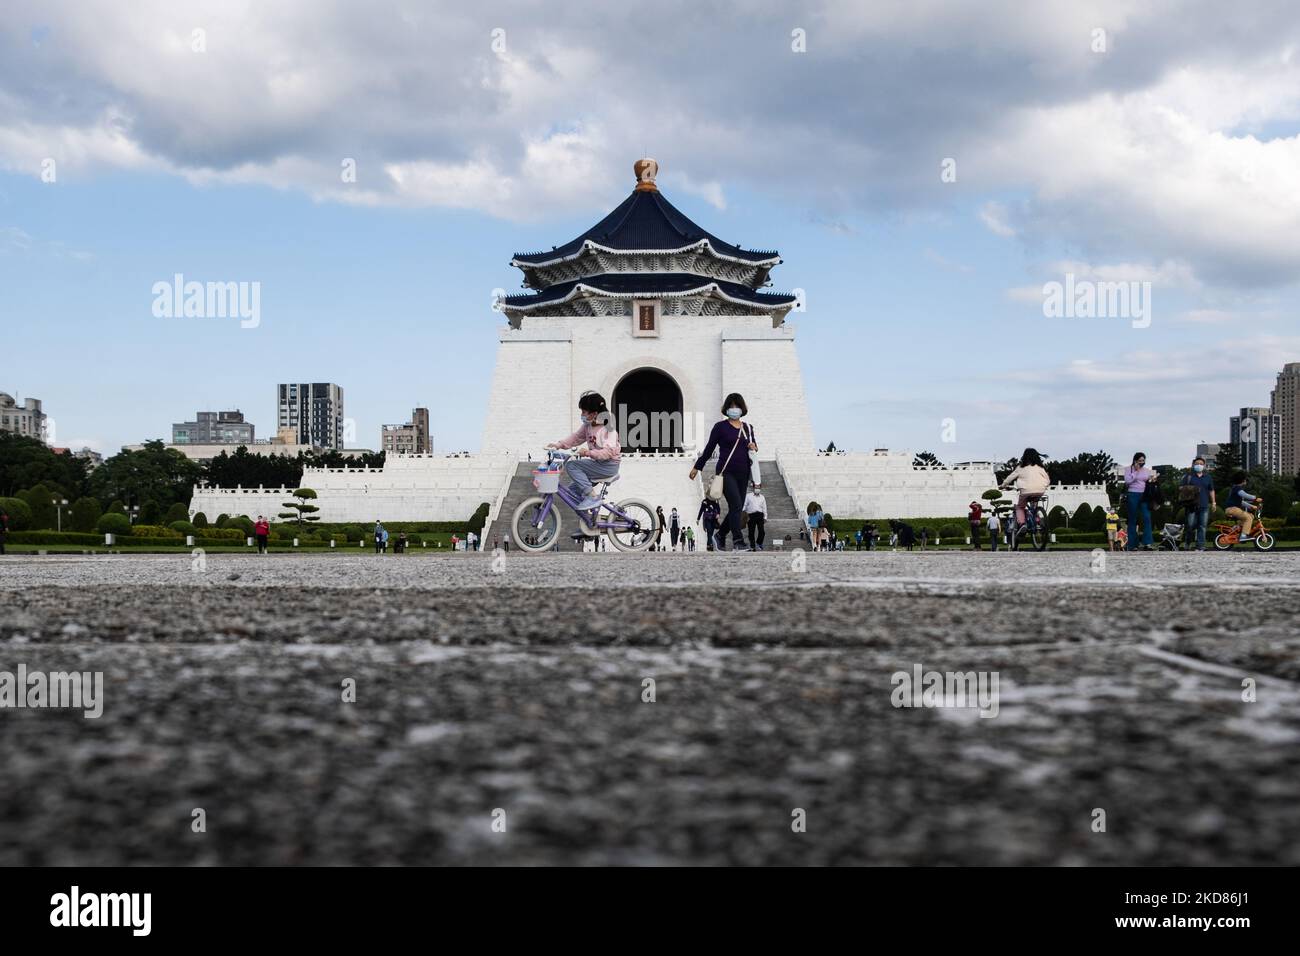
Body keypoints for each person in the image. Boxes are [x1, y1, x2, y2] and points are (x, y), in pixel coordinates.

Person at [690, 393, 757, 552]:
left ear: (742, 408)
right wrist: (697, 467)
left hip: (744, 472)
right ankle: (738, 541)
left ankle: (720, 536)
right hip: (726, 472)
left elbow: (754, 447)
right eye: (731, 406)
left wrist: (753, 446)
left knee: (737, 508)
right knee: (735, 505)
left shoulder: (748, 428)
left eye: (737, 406)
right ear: (726, 409)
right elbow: (709, 449)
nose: (734, 409)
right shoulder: (720, 427)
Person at [548, 390, 621, 511]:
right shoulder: (588, 426)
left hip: (608, 465)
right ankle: (589, 521)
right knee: (573, 491)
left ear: (594, 413)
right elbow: (576, 438)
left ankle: (592, 497)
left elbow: (608, 453)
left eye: (584, 412)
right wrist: (558, 445)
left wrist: (588, 453)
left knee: (572, 466)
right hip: (597, 464)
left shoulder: (608, 429)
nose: (582, 414)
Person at [999, 448, 1051, 542]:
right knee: (1034, 506)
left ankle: (1022, 524)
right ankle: (1037, 520)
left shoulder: (1021, 467)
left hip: (1026, 491)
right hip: (1040, 490)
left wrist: (1003, 485)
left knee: (1020, 507)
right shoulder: (1040, 468)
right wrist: (1044, 486)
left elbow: (1010, 478)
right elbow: (1047, 480)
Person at [1122, 452, 1158, 551]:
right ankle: (1132, 544)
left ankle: (1147, 543)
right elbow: (1128, 481)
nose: (1142, 463)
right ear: (1135, 461)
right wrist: (1136, 471)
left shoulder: (1146, 470)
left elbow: (1146, 481)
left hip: (1144, 495)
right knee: (1133, 519)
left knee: (1147, 517)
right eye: (1140, 461)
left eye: (1143, 461)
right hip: (1133, 494)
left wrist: (1152, 480)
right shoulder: (1128, 469)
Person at [1180, 457, 1216, 551]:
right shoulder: (1188, 476)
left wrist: (1213, 502)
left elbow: (1211, 490)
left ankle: (1200, 545)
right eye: (1197, 463)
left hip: (1204, 505)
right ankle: (1187, 543)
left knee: (1202, 526)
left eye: (1201, 463)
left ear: (1204, 466)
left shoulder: (1208, 477)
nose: (1199, 465)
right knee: (1190, 525)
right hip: (1191, 505)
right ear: (1193, 465)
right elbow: (1181, 488)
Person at [1225, 472, 1261, 543]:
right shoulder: (1237, 488)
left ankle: (1236, 528)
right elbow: (1244, 495)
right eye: (1245, 479)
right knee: (1248, 518)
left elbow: (1241, 502)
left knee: (1251, 516)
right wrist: (1255, 498)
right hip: (1232, 509)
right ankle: (1243, 536)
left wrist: (1251, 506)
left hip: (1232, 509)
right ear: (1243, 480)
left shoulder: (1235, 488)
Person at [744, 483, 768, 551]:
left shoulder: (762, 497)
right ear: (753, 488)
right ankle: (752, 546)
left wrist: (765, 517)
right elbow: (745, 505)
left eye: (759, 487)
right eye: (756, 487)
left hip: (760, 515)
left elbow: (764, 507)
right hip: (751, 515)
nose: (757, 489)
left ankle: (759, 543)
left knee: (762, 531)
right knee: (751, 532)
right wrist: (743, 514)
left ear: (760, 488)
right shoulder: (748, 496)